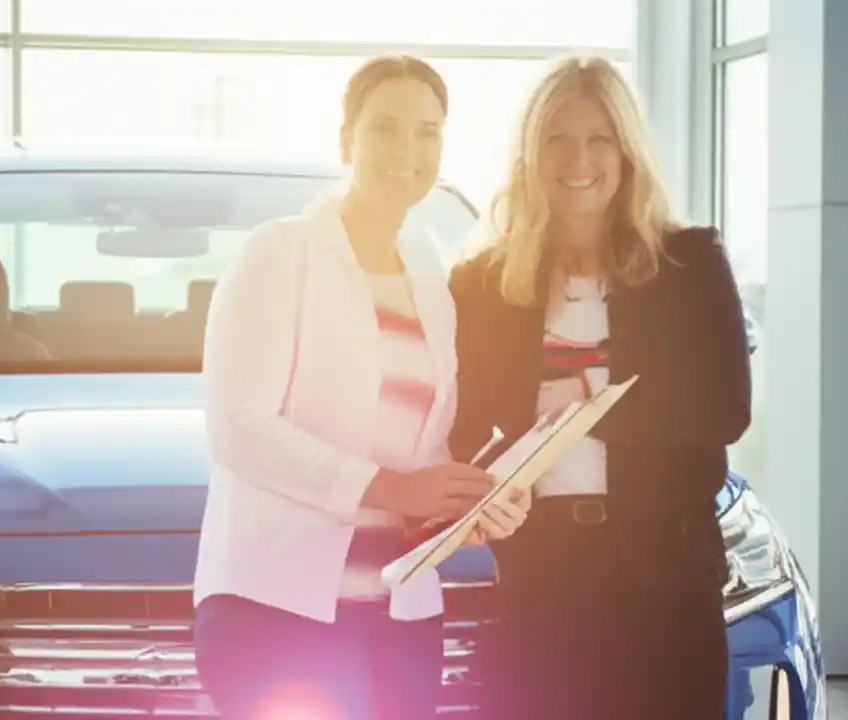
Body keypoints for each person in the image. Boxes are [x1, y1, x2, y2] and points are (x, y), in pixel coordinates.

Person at [193, 54, 527, 720]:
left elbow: (422, 452)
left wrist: (470, 508)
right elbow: (239, 426)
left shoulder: (431, 278)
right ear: (347, 139)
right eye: (385, 129)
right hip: (278, 612)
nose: (408, 150)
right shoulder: (281, 251)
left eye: (427, 132)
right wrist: (393, 488)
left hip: (401, 615)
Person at [449, 55, 751, 719]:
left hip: (665, 580)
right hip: (538, 577)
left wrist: (587, 411)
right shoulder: (482, 283)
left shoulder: (689, 264)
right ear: (531, 154)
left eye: (599, 138)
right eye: (556, 137)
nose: (577, 158)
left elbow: (725, 409)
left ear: (626, 151)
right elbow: (466, 427)